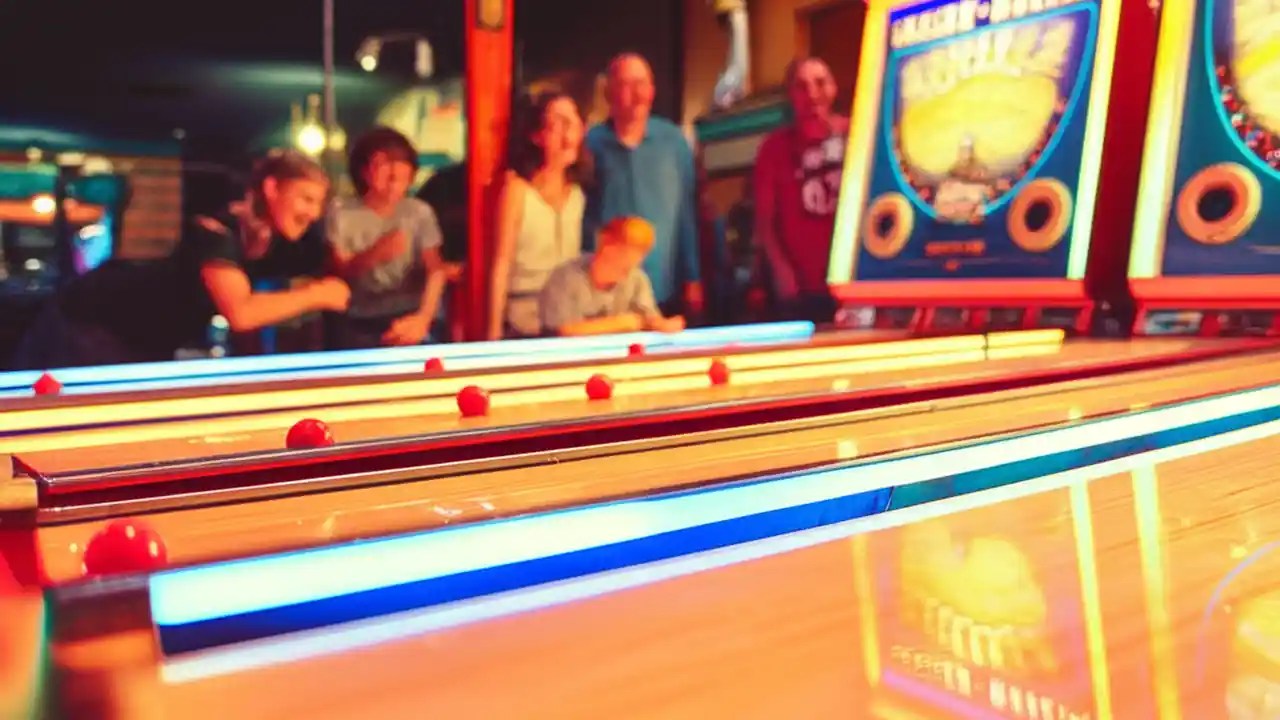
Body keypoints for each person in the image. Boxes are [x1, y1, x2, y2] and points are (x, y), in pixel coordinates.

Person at [10, 150, 350, 368]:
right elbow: (242, 312)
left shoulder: (266, 243)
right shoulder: (217, 229)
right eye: (306, 198)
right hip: (87, 324)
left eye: (318, 204)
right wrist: (317, 295)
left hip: (144, 342)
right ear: (272, 188)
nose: (312, 213)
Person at [582, 53, 702, 318]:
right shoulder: (590, 145)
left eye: (642, 84)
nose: (636, 94)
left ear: (652, 90)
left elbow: (686, 215)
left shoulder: (674, 143)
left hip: (664, 290)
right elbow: (583, 219)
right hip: (605, 294)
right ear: (609, 93)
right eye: (626, 84)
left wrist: (692, 278)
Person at [327, 126, 448, 348]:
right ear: (363, 170)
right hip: (361, 319)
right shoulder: (341, 211)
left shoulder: (418, 211)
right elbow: (336, 272)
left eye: (401, 165)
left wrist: (423, 317)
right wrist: (373, 255)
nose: (393, 174)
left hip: (411, 313)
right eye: (383, 164)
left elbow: (436, 270)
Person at [753, 56, 849, 323]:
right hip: (801, 286)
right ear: (791, 95)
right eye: (802, 86)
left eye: (820, 83)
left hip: (852, 280)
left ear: (833, 87)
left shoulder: (857, 134)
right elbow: (765, 222)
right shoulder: (773, 149)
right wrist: (782, 271)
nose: (812, 94)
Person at [489, 90, 588, 339]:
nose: (568, 134)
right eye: (558, 124)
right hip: (524, 318)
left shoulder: (578, 193)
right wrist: (492, 334)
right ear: (537, 135)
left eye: (574, 123)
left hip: (570, 319)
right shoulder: (518, 190)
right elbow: (501, 265)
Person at [540, 216, 685, 337]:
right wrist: (619, 323)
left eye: (642, 252)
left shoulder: (637, 279)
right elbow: (564, 330)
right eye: (629, 248)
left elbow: (650, 319)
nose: (634, 261)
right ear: (607, 245)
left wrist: (664, 325)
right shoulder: (565, 277)